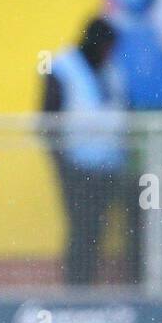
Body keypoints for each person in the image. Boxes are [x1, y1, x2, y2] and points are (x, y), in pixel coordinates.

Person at [44, 17, 134, 284]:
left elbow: (125, 112)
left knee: (99, 229)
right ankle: (77, 286)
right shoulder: (63, 67)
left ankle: (90, 284)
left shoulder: (112, 71)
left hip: (110, 165)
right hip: (76, 166)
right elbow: (48, 121)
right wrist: (63, 164)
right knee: (82, 228)